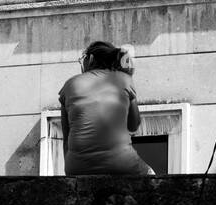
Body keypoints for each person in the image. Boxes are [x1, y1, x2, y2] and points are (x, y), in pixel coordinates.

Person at [58, 40, 155, 175]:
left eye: (82, 60)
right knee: (151, 176)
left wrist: (71, 171)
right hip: (121, 164)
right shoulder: (124, 79)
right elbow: (134, 125)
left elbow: (67, 138)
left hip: (77, 168)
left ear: (90, 59)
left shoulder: (69, 85)